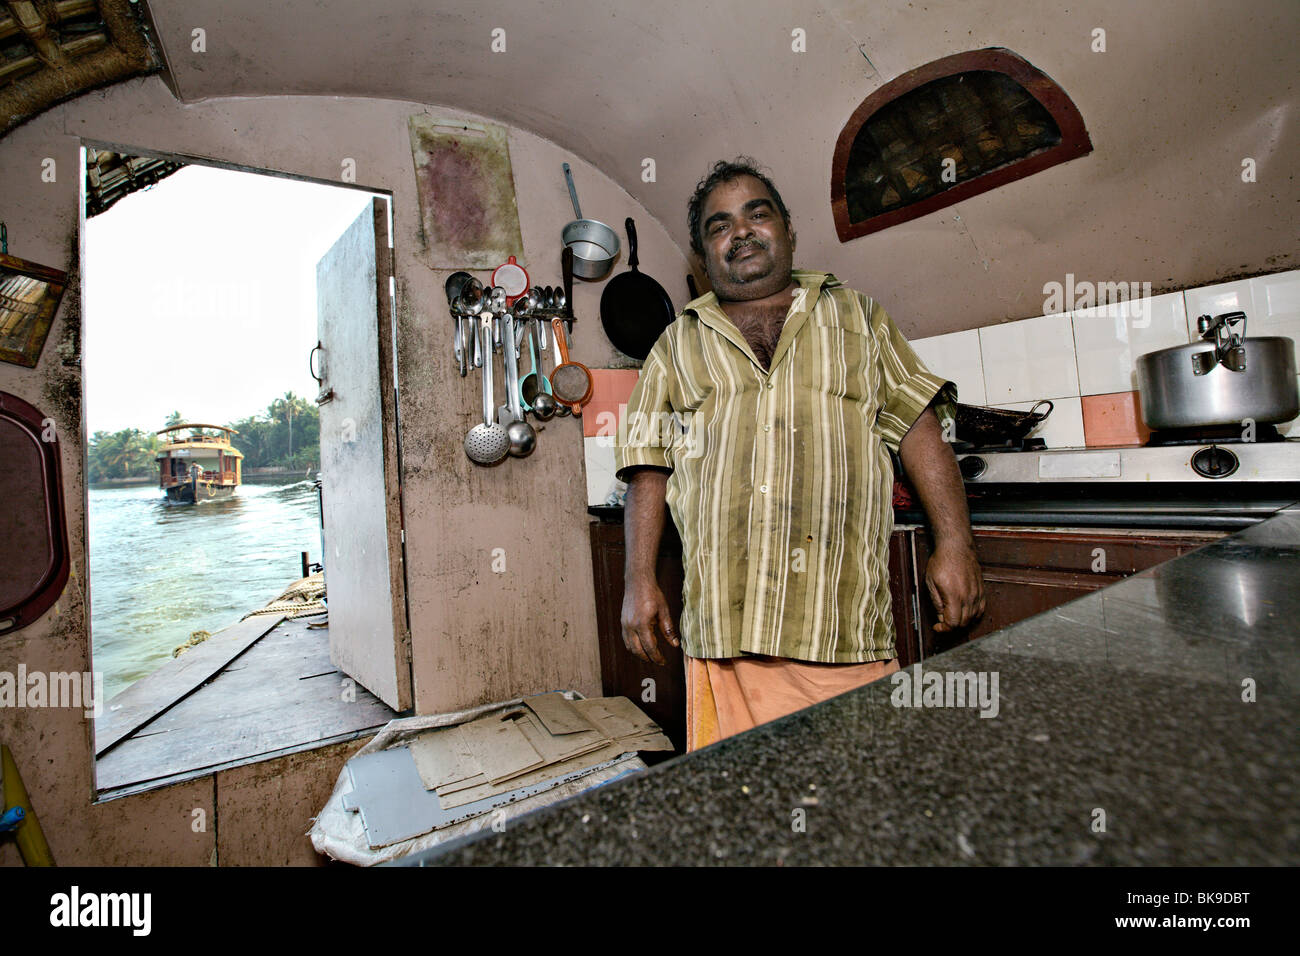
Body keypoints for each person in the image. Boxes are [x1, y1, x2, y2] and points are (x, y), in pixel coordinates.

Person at [615, 157, 985, 752]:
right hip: (722, 634)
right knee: (744, 810)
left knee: (850, 809)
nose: (740, 231)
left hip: (837, 625)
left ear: (787, 229)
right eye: (719, 225)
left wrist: (956, 544)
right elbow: (648, 467)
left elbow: (919, 432)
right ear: (703, 256)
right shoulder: (676, 343)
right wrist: (638, 582)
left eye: (756, 214)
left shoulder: (859, 318)